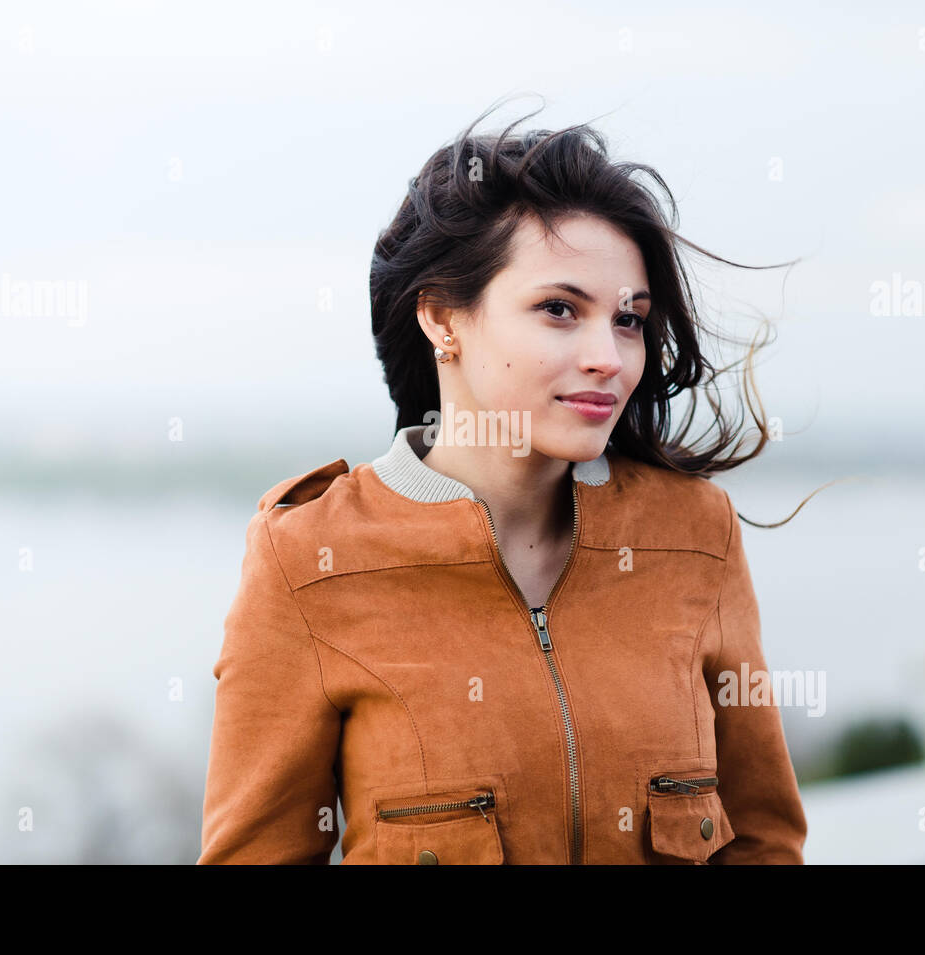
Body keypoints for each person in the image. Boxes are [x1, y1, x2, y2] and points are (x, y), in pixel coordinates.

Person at [197, 101, 814, 864]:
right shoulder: (307, 560)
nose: (610, 358)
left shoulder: (695, 534)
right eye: (559, 309)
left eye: (629, 320)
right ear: (441, 318)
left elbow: (765, 843)